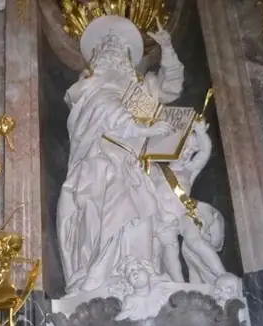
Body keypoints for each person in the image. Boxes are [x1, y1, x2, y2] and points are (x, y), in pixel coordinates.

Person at [57, 15, 185, 294]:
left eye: (118, 46)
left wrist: (167, 48)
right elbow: (98, 112)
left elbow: (171, 86)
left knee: (140, 209)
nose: (112, 49)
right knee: (101, 207)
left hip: (133, 161)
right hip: (97, 157)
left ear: (129, 56)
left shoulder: (141, 86)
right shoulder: (87, 87)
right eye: (107, 45)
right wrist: (138, 127)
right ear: (96, 56)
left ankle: (142, 267)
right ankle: (97, 269)